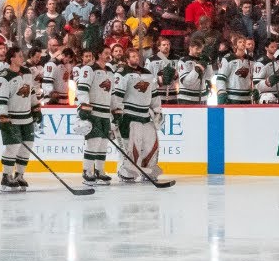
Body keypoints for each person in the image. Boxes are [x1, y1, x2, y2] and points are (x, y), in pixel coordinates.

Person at [112, 47, 164, 183]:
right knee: (130, 146)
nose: (136, 58)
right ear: (127, 59)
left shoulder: (147, 73)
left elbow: (154, 94)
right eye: (133, 56)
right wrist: (116, 112)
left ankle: (148, 170)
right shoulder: (122, 73)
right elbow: (117, 95)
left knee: (150, 145)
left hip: (146, 115)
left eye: (137, 56)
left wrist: (157, 110)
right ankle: (126, 172)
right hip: (129, 116)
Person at [0, 46, 41, 192]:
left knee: (26, 147)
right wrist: (3, 117)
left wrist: (36, 108)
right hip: (11, 119)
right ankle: (6, 176)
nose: (22, 57)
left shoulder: (27, 72)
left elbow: (31, 92)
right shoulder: (4, 76)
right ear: (12, 58)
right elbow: (0, 99)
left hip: (27, 118)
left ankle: (19, 175)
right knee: (12, 147)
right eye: (19, 55)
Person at [75, 47, 115, 186]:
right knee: (94, 142)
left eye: (109, 53)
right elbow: (82, 89)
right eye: (106, 53)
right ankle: (87, 171)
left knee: (103, 143)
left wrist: (115, 110)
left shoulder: (110, 71)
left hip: (105, 113)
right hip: (93, 111)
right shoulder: (89, 69)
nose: (109, 55)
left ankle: (100, 171)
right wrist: (84, 106)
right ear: (98, 54)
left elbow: (112, 93)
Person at [214, 38, 255, 104]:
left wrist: (255, 89)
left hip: (247, 97)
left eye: (244, 42)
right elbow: (221, 78)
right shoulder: (228, 59)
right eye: (240, 42)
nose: (243, 43)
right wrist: (221, 92)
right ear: (235, 45)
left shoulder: (251, 60)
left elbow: (253, 78)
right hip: (232, 98)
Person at [253, 38, 279, 104]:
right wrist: (267, 82)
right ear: (266, 48)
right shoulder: (261, 63)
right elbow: (256, 84)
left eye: (276, 47)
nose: (275, 48)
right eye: (272, 47)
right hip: (268, 99)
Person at [174, 40, 210, 104]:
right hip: (186, 98)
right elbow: (186, 82)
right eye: (197, 48)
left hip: (202, 97)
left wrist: (209, 63)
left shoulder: (202, 60)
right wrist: (196, 69)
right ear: (190, 48)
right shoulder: (183, 61)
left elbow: (208, 77)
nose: (199, 51)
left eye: (200, 49)